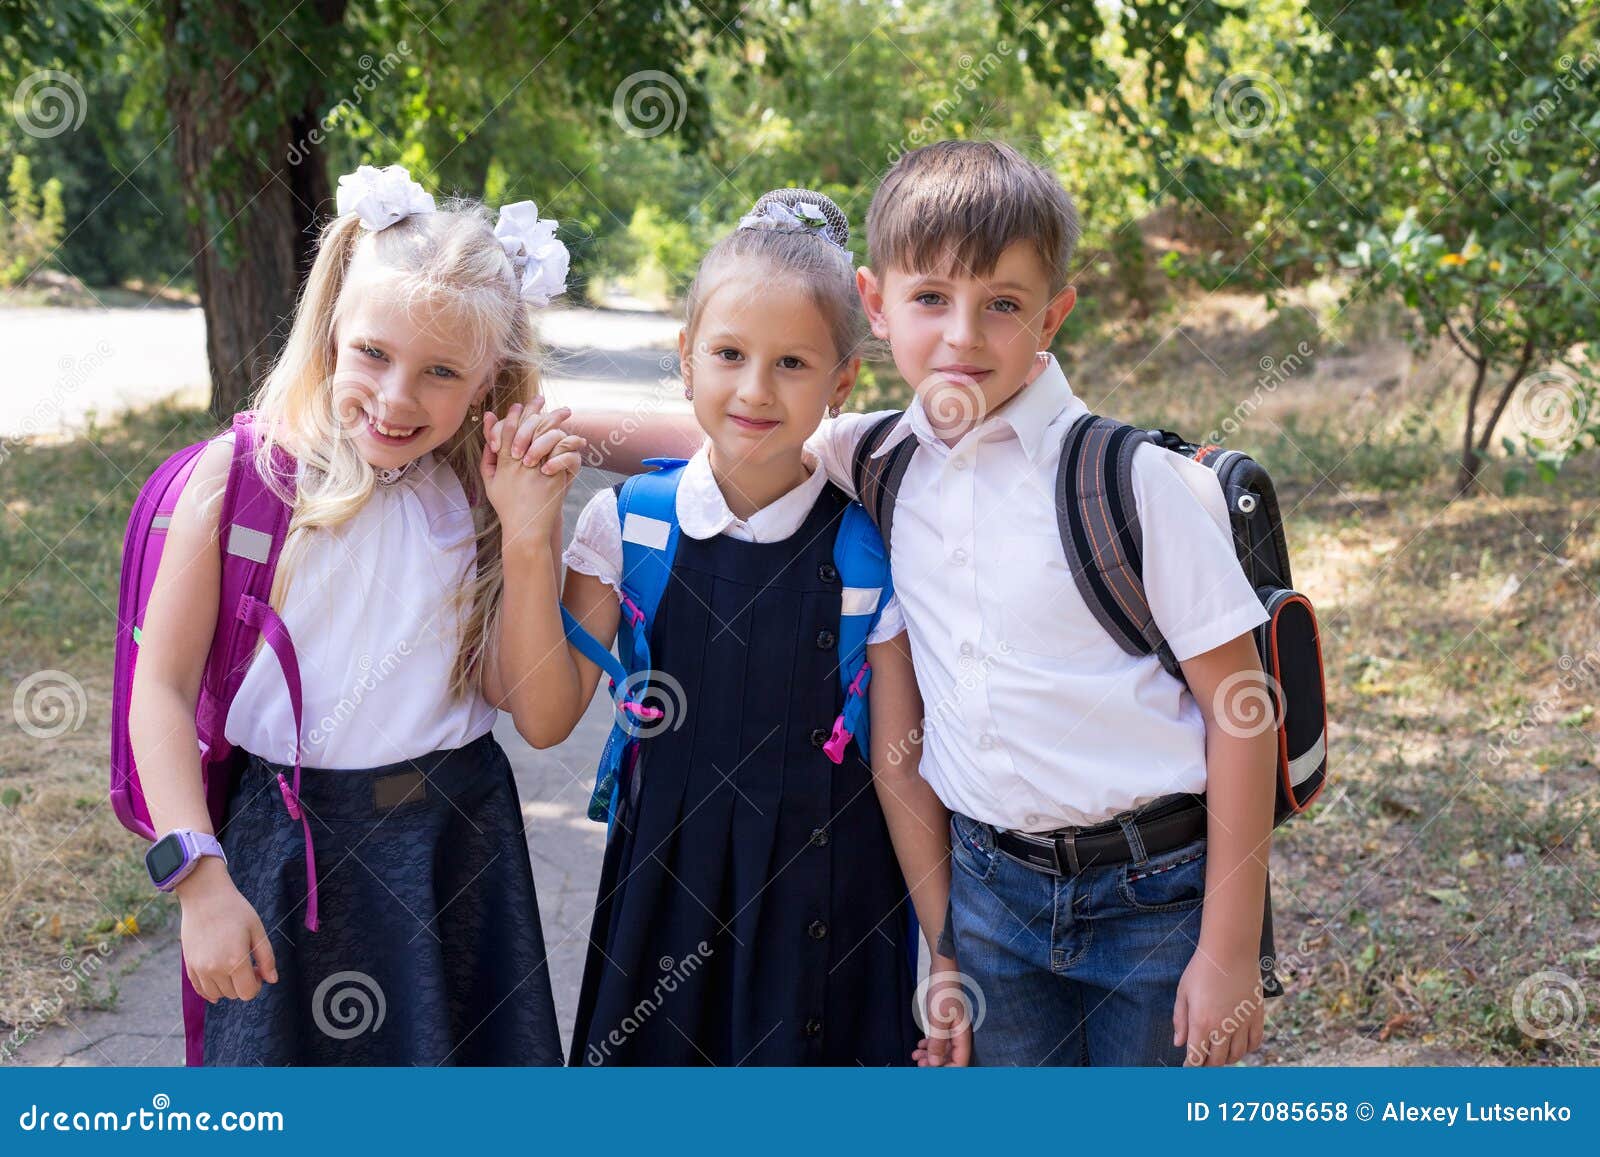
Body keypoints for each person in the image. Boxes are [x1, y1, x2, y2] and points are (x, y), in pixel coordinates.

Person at [567, 142, 1280, 1067]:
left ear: (1053, 315)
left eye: (1004, 306)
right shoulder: (881, 455)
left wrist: (1228, 953)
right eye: (931, 299)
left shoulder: (1130, 480)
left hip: (1155, 892)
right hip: (992, 900)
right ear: (876, 306)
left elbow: (1244, 708)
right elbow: (740, 425)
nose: (963, 337)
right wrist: (503, 420)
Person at [493, 188, 970, 1066]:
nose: (754, 388)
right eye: (728, 354)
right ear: (685, 359)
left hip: (836, 914)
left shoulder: (873, 550)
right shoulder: (629, 527)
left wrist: (945, 950)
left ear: (842, 381)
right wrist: (528, 540)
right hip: (663, 912)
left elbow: (902, 771)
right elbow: (542, 716)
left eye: (792, 363)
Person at [129, 164, 579, 1065]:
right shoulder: (242, 480)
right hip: (279, 853)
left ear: (491, 380)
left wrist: (531, 541)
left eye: (442, 371)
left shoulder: (486, 500)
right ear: (332, 324)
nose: (398, 397)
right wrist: (198, 881)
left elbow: (541, 716)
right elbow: (163, 692)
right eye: (373, 352)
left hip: (455, 845)